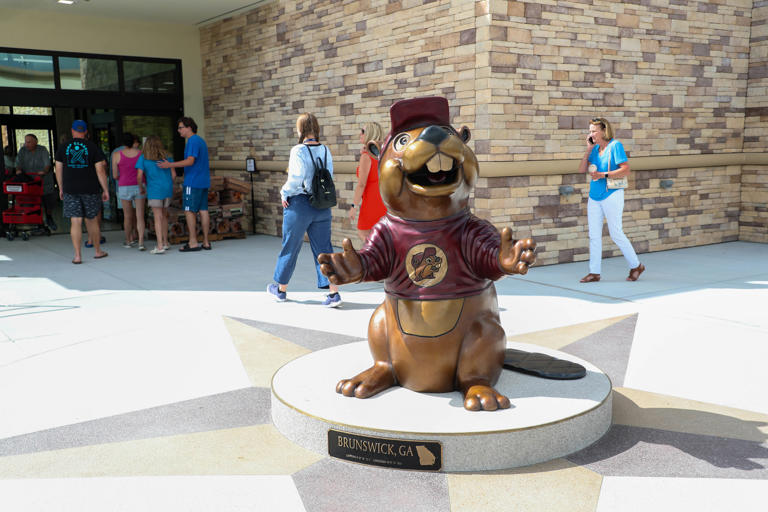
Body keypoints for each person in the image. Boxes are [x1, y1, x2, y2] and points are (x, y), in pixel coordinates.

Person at [267, 112, 342, 307]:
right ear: (316, 128)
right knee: (324, 249)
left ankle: (281, 290)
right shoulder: (325, 149)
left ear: (300, 130)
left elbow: (296, 178)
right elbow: (330, 174)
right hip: (322, 205)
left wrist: (284, 193)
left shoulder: (298, 150)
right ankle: (334, 294)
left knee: (290, 246)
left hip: (300, 204)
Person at [577, 117, 644, 283]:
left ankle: (636, 266)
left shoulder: (615, 146)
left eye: (594, 131)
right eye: (590, 130)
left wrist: (603, 175)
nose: (590, 133)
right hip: (594, 196)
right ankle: (594, 272)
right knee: (594, 235)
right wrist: (588, 149)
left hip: (612, 194)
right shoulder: (594, 149)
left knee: (616, 233)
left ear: (603, 131)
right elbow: (581, 170)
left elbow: (625, 169)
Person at [54, 120, 109, 264]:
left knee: (75, 221)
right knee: (91, 220)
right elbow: (100, 170)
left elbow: (58, 169)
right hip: (90, 188)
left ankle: (77, 256)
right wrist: (105, 189)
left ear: (72, 131)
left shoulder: (63, 147)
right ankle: (98, 251)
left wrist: (60, 187)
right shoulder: (92, 147)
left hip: (70, 189)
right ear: (85, 132)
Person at [158, 117, 211, 252]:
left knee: (189, 210)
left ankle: (193, 242)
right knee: (203, 210)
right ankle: (206, 242)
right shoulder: (200, 141)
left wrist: (170, 165)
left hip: (193, 181)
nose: (179, 130)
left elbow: (190, 161)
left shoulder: (192, 141)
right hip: (204, 180)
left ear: (189, 127)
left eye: (181, 127)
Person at [348, 121, 387, 241]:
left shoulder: (366, 156)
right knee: (382, 240)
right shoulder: (384, 154)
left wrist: (354, 206)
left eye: (363, 131)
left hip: (371, 204)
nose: (360, 134)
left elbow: (361, 184)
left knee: (365, 237)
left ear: (370, 134)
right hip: (384, 203)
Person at [136, 135, 174, 254]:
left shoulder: (143, 158)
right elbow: (173, 175)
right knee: (164, 215)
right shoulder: (168, 157)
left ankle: (159, 246)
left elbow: (139, 176)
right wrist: (168, 183)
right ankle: (166, 242)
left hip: (154, 190)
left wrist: (141, 187)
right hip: (167, 189)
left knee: (157, 217)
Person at [15, 134, 57, 231]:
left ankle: (49, 217)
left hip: (44, 180)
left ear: (36, 142)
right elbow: (18, 164)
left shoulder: (42, 150)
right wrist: (18, 170)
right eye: (26, 142)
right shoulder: (22, 151)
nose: (27, 144)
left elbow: (47, 164)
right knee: (32, 201)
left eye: (29, 142)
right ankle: (36, 220)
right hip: (29, 181)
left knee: (48, 199)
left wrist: (44, 172)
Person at [112, 133, 146, 250]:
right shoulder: (141, 154)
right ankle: (141, 241)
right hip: (139, 185)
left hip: (124, 186)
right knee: (140, 215)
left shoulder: (116, 155)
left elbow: (115, 175)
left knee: (127, 216)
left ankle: (128, 240)